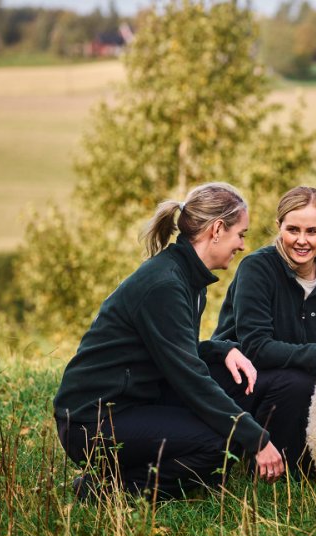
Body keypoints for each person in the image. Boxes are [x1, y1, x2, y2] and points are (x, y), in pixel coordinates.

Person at [54, 182, 286, 500]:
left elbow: (173, 349)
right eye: (241, 234)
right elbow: (189, 378)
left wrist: (223, 349)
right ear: (217, 229)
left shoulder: (188, 277)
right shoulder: (165, 284)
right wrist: (256, 439)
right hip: (92, 422)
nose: (243, 245)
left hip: (134, 402)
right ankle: (102, 492)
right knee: (218, 443)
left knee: (230, 392)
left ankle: (143, 473)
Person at [210, 185, 316, 476]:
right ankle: (277, 476)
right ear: (279, 227)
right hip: (238, 381)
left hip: (292, 381)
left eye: (312, 231)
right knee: (297, 384)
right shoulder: (257, 269)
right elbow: (255, 347)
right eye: (292, 230)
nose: (301, 240)